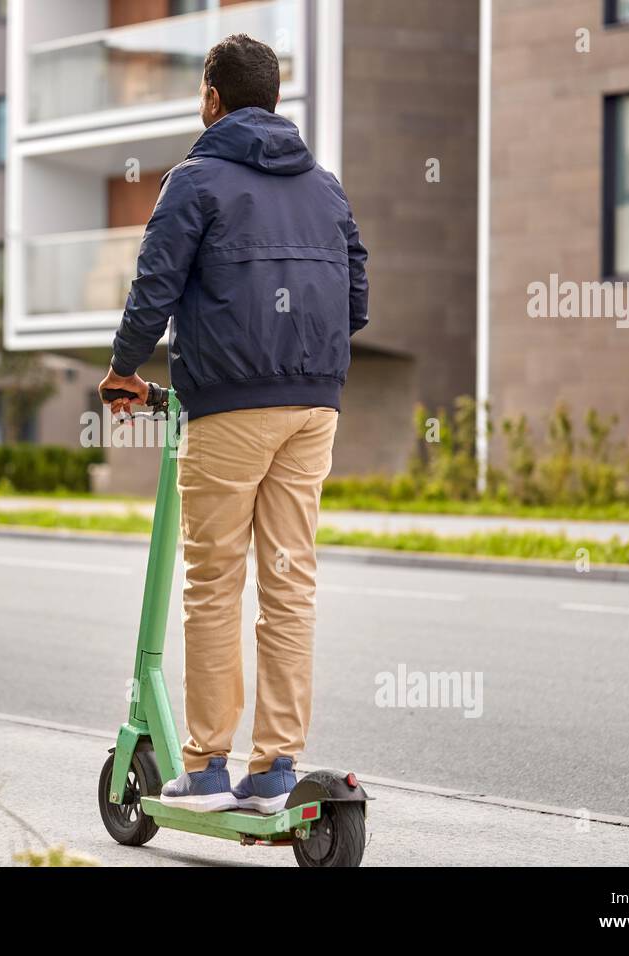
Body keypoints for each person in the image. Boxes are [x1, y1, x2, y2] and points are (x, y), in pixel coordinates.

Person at [99, 33, 369, 813]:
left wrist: (124, 368)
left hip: (229, 404)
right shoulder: (326, 186)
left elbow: (154, 286)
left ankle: (209, 765)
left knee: (214, 580)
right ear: (276, 100)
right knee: (289, 583)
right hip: (314, 403)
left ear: (212, 98)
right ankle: (276, 766)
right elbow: (358, 302)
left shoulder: (196, 180)